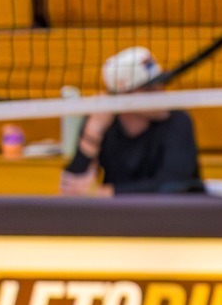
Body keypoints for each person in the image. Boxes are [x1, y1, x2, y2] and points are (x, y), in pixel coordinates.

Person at [60, 47, 203, 196]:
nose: (161, 93)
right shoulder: (102, 123)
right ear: (123, 97)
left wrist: (105, 193)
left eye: (160, 83)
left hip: (177, 210)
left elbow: (174, 184)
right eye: (149, 89)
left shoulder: (178, 121)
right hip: (119, 210)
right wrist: (93, 131)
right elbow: (71, 186)